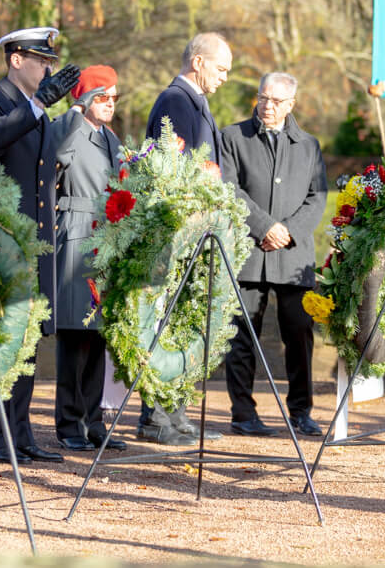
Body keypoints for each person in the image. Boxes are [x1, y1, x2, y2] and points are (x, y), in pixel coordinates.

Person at [0, 26, 80, 464]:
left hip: (35, 242)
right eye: (41, 61)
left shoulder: (41, 113)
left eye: (51, 62)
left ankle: (20, 435)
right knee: (2, 341)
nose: (48, 69)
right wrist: (36, 104)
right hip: (3, 239)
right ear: (17, 60)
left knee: (28, 341)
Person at [220, 72, 327, 437]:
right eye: (263, 98)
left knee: (299, 334)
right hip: (248, 251)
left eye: (276, 101)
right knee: (241, 335)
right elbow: (228, 188)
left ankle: (301, 411)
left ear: (291, 105)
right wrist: (264, 226)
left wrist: (287, 232)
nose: (267, 106)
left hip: (294, 258)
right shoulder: (232, 137)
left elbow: (318, 197)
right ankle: (243, 413)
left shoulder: (309, 145)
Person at [138, 32, 233, 446]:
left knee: (182, 324)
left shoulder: (195, 101)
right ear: (198, 62)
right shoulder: (176, 100)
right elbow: (173, 167)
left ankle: (175, 414)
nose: (225, 77)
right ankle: (156, 418)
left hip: (194, 229)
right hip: (176, 230)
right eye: (221, 68)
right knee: (166, 324)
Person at [53, 65, 126, 452]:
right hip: (76, 231)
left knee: (98, 333)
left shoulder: (111, 138)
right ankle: (68, 423)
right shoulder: (69, 127)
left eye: (114, 98)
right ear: (84, 98)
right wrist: (74, 113)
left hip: (105, 235)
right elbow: (50, 166)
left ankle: (93, 420)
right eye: (103, 97)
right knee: (73, 332)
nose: (110, 104)